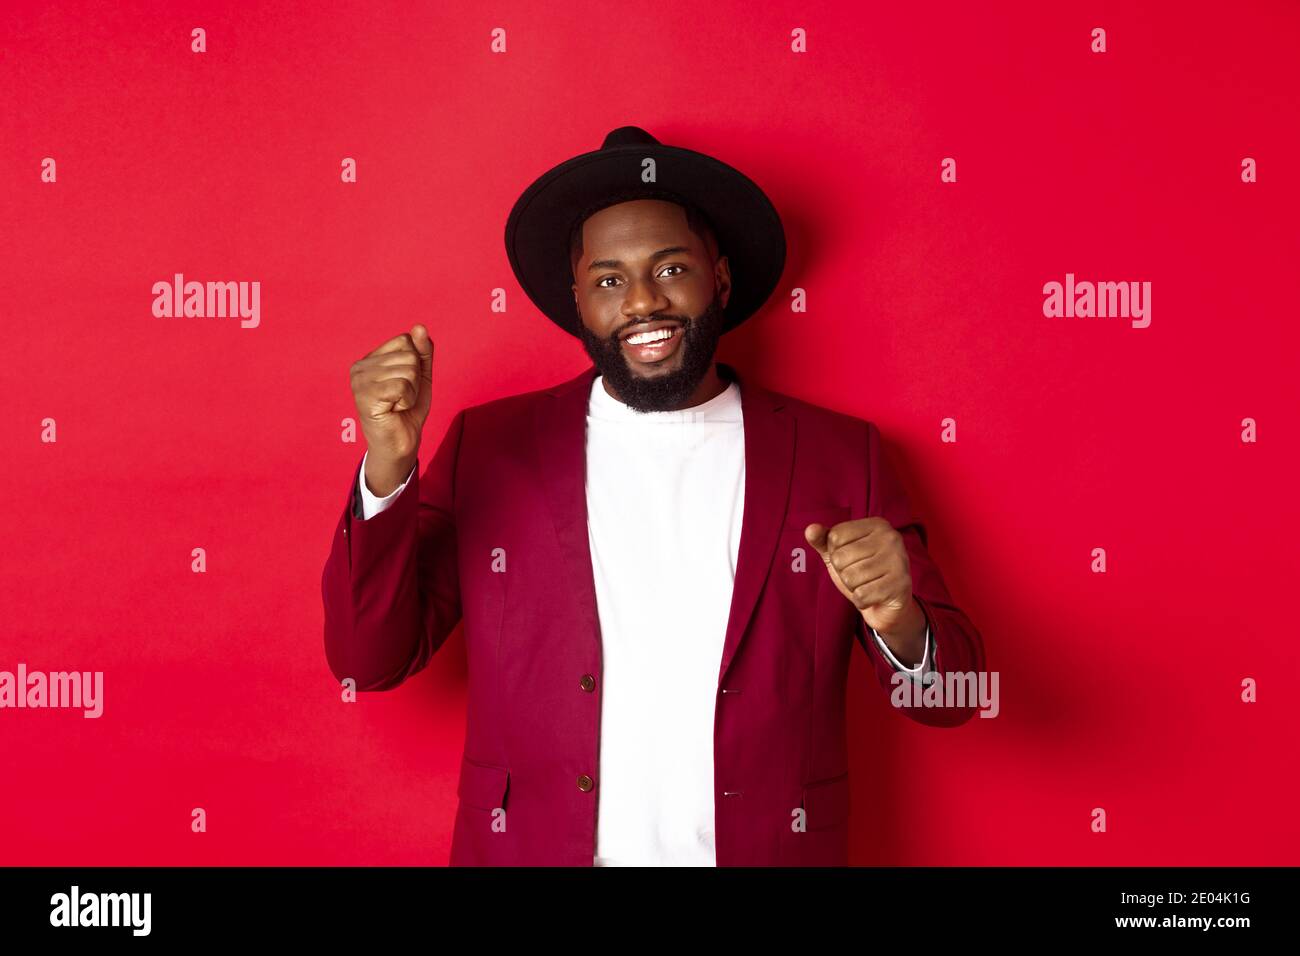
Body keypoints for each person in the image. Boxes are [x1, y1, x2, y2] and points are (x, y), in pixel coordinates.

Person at [321, 126, 986, 866]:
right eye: (608, 280)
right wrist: (387, 468)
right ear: (578, 302)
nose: (642, 301)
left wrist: (901, 620)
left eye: (670, 268)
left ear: (720, 279)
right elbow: (367, 663)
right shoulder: (492, 446)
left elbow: (953, 700)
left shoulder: (841, 456)